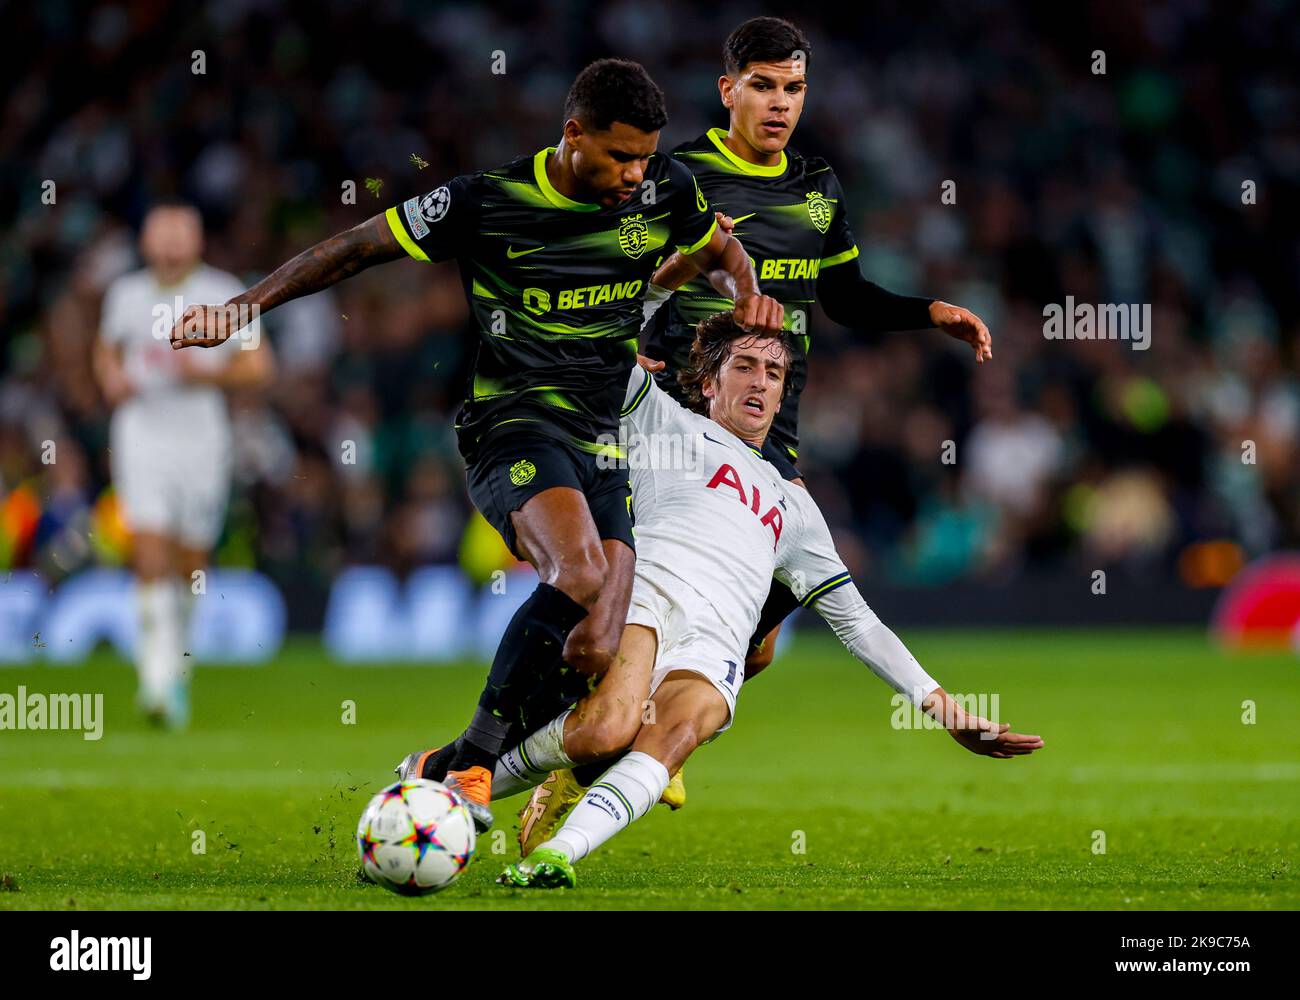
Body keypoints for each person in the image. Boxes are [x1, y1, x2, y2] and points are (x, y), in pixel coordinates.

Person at [170, 59, 783, 828]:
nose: (634, 173)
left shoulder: (665, 187)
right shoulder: (486, 201)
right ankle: (474, 767)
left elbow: (722, 252)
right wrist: (243, 307)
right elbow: (357, 246)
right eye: (619, 155)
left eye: (643, 156)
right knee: (582, 570)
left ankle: (445, 761)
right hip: (515, 423)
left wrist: (746, 290)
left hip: (604, 436)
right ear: (573, 136)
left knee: (596, 649)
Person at [493, 314, 1041, 888]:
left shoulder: (800, 510)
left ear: (783, 396)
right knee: (604, 733)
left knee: (676, 735)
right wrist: (675, 265)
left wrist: (945, 710)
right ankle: (457, 775)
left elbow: (858, 623)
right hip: (649, 599)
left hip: (718, 646)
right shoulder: (665, 420)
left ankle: (555, 857)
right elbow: (612, 338)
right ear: (709, 382)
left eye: (774, 373)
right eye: (745, 367)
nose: (760, 382)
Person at [94, 201, 275, 727]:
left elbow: (260, 367)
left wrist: (206, 374)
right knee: (147, 547)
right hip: (141, 431)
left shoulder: (223, 293)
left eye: (180, 237)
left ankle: (176, 668)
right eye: (162, 236)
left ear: (196, 242)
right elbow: (106, 351)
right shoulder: (125, 294)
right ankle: (156, 681)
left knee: (191, 562)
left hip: (201, 437)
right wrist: (110, 377)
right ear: (146, 243)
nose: (171, 247)